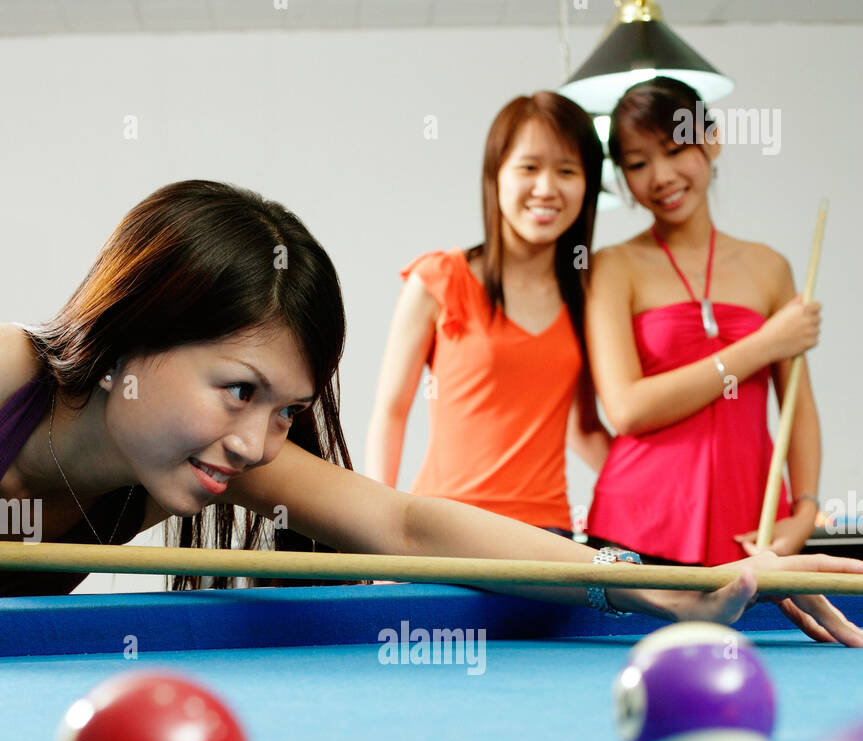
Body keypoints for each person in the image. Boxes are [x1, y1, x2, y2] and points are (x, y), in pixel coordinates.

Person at [0, 178, 860, 645]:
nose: (258, 441)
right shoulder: (9, 366)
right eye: (239, 389)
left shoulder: (194, 461)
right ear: (136, 332)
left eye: (286, 411)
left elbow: (405, 524)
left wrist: (669, 586)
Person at [585, 77, 822, 566]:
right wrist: (762, 345)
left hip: (755, 525)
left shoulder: (769, 267)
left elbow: (798, 405)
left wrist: (805, 511)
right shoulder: (613, 266)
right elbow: (627, 408)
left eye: (675, 150)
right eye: (637, 163)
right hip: (639, 525)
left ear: (711, 142)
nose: (661, 176)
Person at [364, 91, 610, 539]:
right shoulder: (439, 278)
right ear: (495, 177)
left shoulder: (591, 294)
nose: (546, 188)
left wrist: (666, 496)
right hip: (442, 526)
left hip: (544, 536)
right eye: (529, 167)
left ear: (588, 186)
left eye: (568, 171)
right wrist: (374, 535)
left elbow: (584, 429)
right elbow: (391, 411)